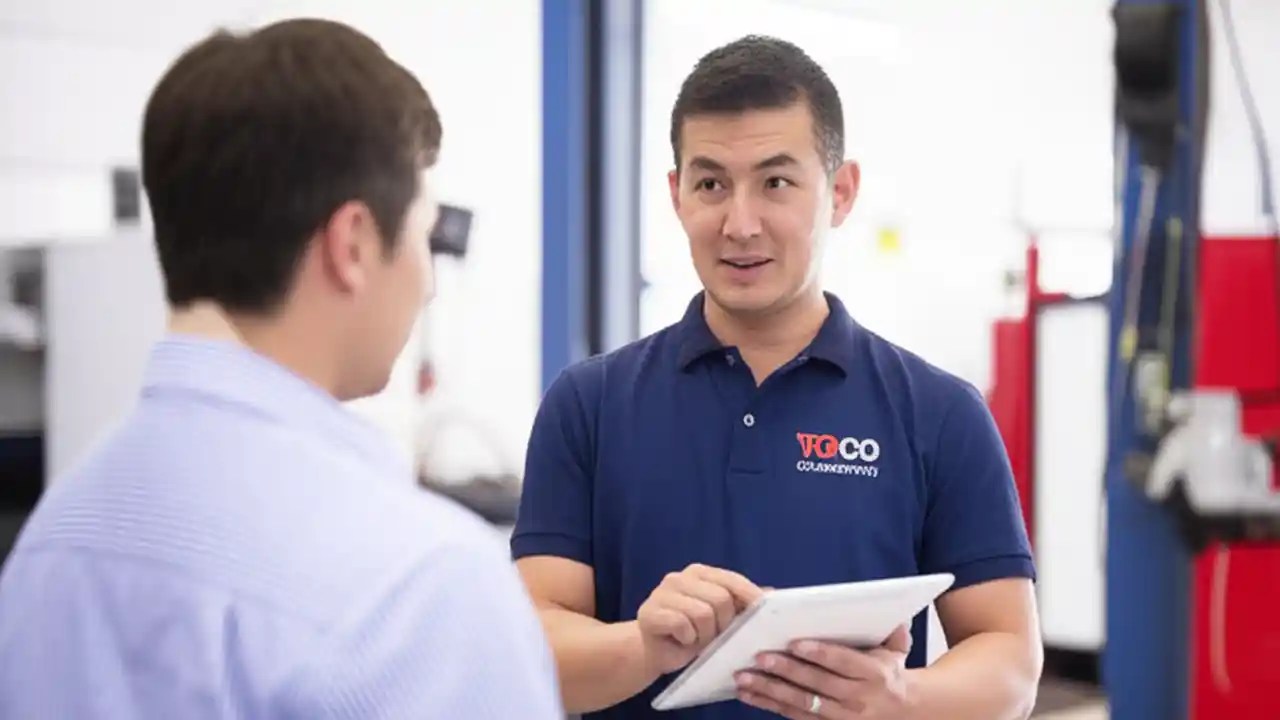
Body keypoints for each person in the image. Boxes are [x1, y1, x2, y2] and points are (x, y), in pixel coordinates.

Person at [0, 19, 563, 720]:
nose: (428, 282)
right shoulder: (420, 586)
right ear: (352, 244)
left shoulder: (53, 540)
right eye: (421, 235)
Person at [513, 34, 1043, 720]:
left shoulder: (938, 412)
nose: (740, 224)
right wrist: (645, 647)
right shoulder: (588, 405)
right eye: (711, 184)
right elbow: (530, 657)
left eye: (776, 183)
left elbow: (1010, 662)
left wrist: (895, 699)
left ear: (841, 192)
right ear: (676, 196)